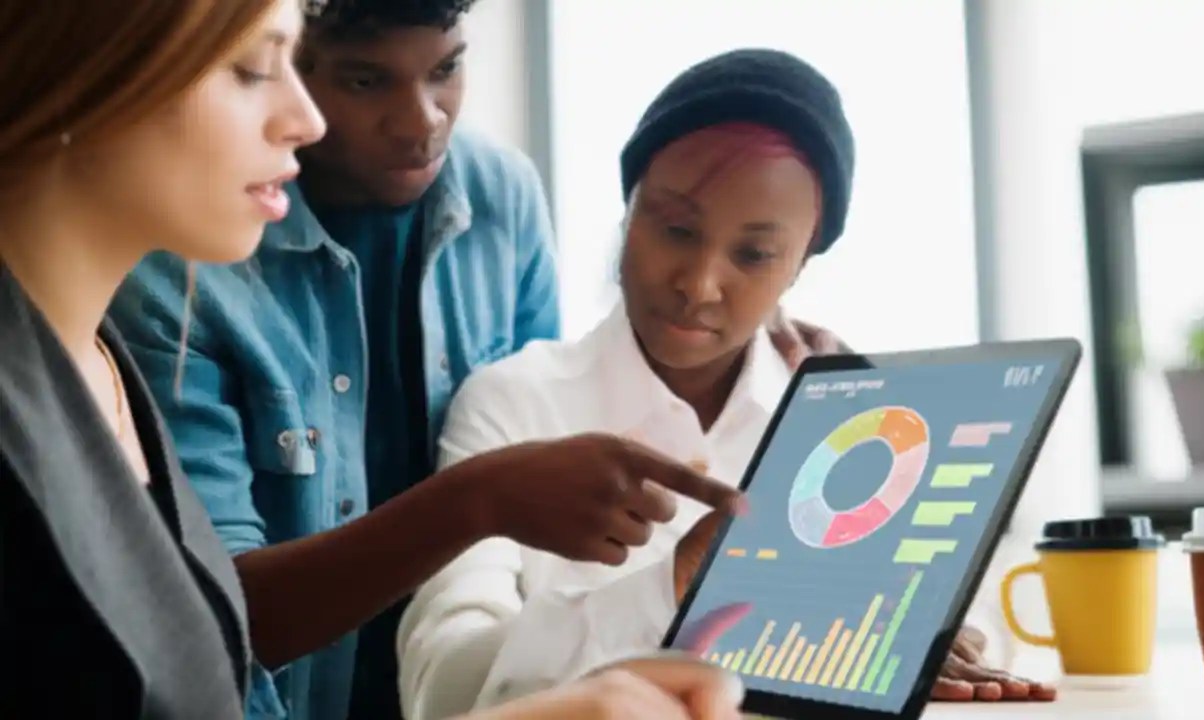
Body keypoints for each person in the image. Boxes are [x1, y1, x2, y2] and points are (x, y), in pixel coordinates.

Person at [0, 1, 748, 718]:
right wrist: (479, 498)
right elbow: (222, 633)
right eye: (254, 69)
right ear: (89, 73)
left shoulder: (98, 368)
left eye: (448, 68)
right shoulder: (163, 295)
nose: (304, 118)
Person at [396, 49, 1058, 720]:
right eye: (677, 229)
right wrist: (679, 582)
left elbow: (982, 620)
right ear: (629, 211)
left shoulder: (858, 425)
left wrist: (933, 641)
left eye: (754, 254)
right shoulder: (514, 404)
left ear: (801, 262)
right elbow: (439, 688)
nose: (699, 285)